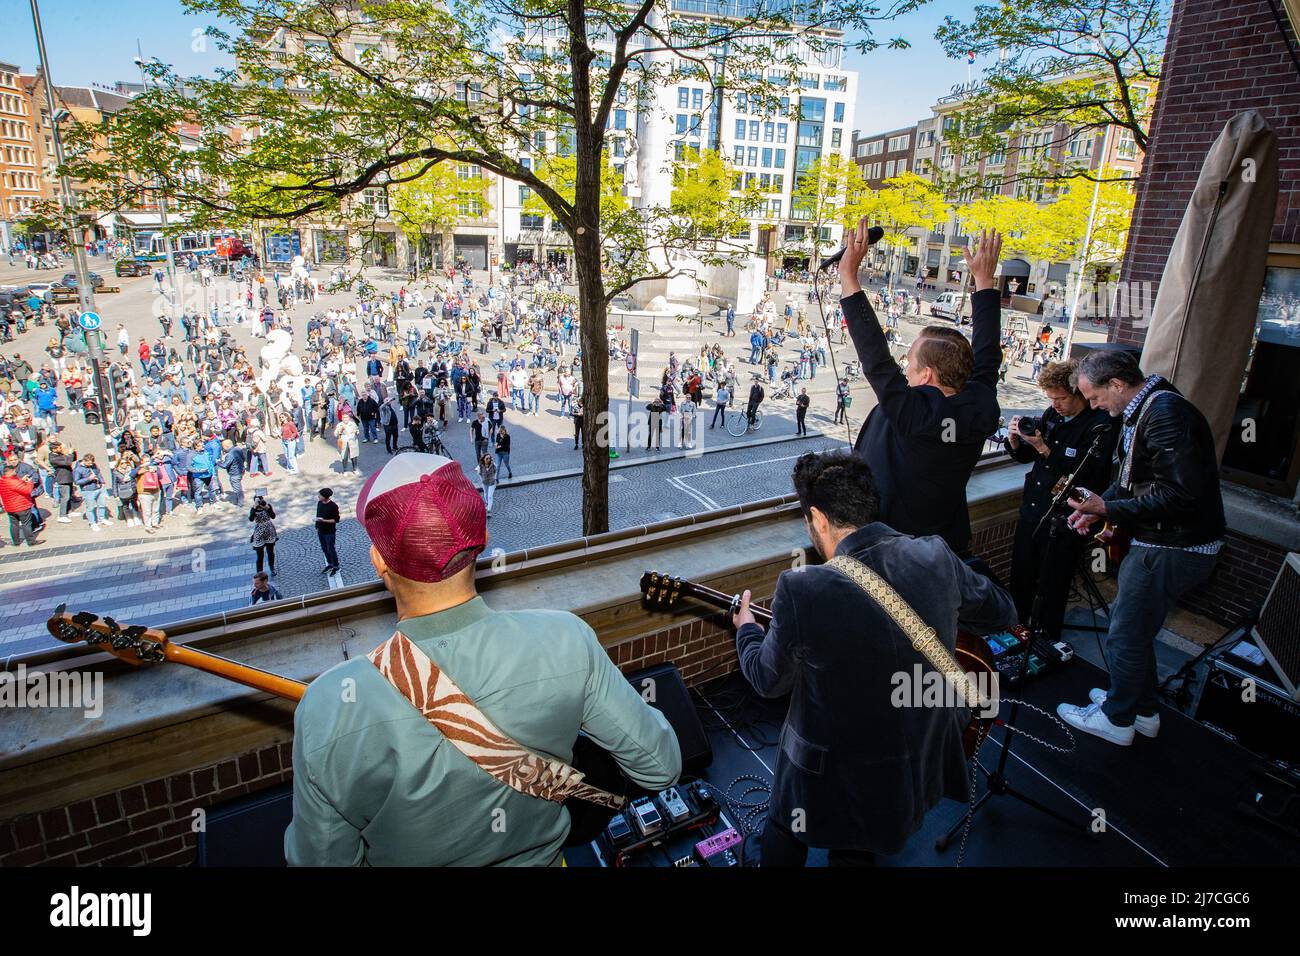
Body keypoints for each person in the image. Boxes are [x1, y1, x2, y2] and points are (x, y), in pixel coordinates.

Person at [284, 454, 681, 865]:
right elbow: (660, 768)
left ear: (379, 561)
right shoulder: (565, 639)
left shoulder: (327, 707)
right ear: (482, 536)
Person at [730, 450, 1017, 866]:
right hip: (914, 760)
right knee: (860, 846)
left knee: (785, 827)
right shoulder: (935, 555)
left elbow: (767, 680)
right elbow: (1002, 612)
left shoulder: (802, 588)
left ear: (819, 518)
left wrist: (747, 630)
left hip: (829, 771)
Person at [1058, 350, 1226, 747]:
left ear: (1117, 385)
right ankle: (1142, 710)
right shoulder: (1150, 406)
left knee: (1125, 634)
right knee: (1136, 628)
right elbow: (1136, 479)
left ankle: (1117, 720)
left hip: (1170, 547)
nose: (1096, 407)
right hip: (1168, 543)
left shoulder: (1165, 415)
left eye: (1096, 398)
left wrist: (1109, 508)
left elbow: (1180, 494)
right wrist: (1100, 509)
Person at [839, 218, 1003, 557]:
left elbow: (875, 356)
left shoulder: (915, 414)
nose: (904, 363)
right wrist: (985, 281)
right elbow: (987, 353)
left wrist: (849, 276)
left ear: (926, 375)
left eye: (910, 360)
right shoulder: (980, 405)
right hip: (945, 543)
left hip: (895, 548)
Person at [1004, 359, 1117, 642]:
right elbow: (1029, 457)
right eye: (1051, 398)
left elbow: (1085, 472)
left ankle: (1045, 638)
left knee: (1053, 583)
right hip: (1033, 509)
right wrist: (1016, 442)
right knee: (1021, 575)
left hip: (1065, 518)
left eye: (1061, 398)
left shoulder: (1100, 425)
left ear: (1079, 393)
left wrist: (1043, 447)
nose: (1055, 404)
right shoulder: (1052, 415)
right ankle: (1015, 629)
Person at [0, 461, 40, 547]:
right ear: (9, 472)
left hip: (10, 507)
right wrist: (29, 482)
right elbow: (27, 490)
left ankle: (16, 542)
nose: (16, 472)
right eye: (14, 471)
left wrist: (21, 480)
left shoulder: (2, 481)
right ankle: (30, 541)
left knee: (14, 525)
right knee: (26, 524)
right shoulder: (14, 482)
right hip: (21, 506)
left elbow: (15, 487)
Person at [249, 494, 279, 576]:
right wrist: (254, 508)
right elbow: (251, 519)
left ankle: (272, 567)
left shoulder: (267, 506)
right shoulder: (253, 509)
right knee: (260, 554)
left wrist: (266, 507)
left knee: (270, 551)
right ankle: (259, 572)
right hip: (259, 531)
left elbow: (273, 516)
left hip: (269, 530)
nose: (259, 503)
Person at [316, 487, 341, 576]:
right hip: (320, 530)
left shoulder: (333, 506)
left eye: (320, 495)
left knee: (331, 549)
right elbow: (318, 514)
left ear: (325, 497)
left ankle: (336, 566)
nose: (318, 496)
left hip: (329, 532)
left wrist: (323, 520)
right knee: (324, 548)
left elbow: (336, 520)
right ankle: (330, 564)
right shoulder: (319, 503)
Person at [479, 451, 498, 517]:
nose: (488, 460)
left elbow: (496, 472)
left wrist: (494, 478)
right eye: (487, 458)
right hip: (484, 482)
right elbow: (479, 473)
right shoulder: (481, 466)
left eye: (489, 458)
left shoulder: (493, 465)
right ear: (483, 459)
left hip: (492, 482)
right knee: (486, 494)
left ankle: (489, 510)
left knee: (490, 496)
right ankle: (487, 503)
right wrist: (481, 480)